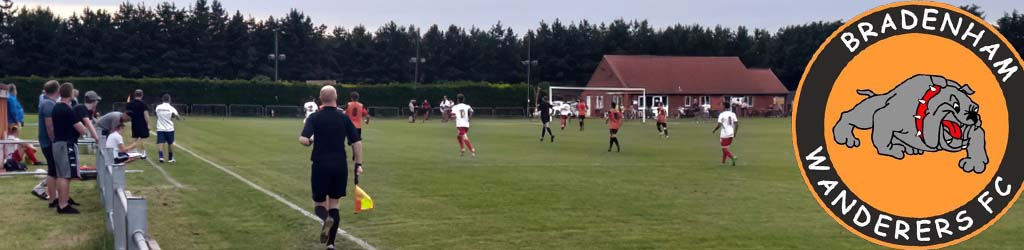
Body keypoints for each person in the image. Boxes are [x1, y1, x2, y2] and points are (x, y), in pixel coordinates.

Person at [299, 85, 364, 250]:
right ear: (336, 97)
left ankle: (326, 218)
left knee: (319, 203)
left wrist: (309, 141)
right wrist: (358, 164)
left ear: (321, 99)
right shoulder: (343, 117)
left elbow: (303, 139)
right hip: (339, 165)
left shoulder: (314, 117)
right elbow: (356, 142)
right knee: (334, 203)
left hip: (321, 164)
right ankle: (331, 244)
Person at [52, 82, 89, 214]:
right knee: (65, 176)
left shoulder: (56, 107)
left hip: (57, 143)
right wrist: (84, 128)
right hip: (66, 144)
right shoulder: (68, 109)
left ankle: (61, 201)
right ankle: (63, 205)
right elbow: (81, 129)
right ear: (71, 93)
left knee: (61, 174)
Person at [35, 80, 60, 205]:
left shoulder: (47, 102)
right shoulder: (48, 104)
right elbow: (49, 127)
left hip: (47, 142)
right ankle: (53, 198)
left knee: (54, 169)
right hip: (49, 142)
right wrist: (54, 141)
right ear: (57, 90)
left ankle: (54, 196)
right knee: (53, 170)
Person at [155, 94, 181, 163]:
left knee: (160, 142)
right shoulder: (171, 108)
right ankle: (170, 158)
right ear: (169, 100)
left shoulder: (158, 107)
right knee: (170, 143)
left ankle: (161, 157)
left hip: (160, 127)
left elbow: (157, 116)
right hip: (169, 128)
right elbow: (178, 117)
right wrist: (175, 116)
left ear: (162, 100)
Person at [126, 89, 151, 159]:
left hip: (134, 122)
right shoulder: (143, 103)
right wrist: (148, 124)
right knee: (143, 138)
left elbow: (128, 113)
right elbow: (145, 114)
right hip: (142, 123)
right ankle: (143, 153)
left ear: (135, 95)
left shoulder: (130, 103)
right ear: (142, 95)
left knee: (135, 137)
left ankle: (133, 151)